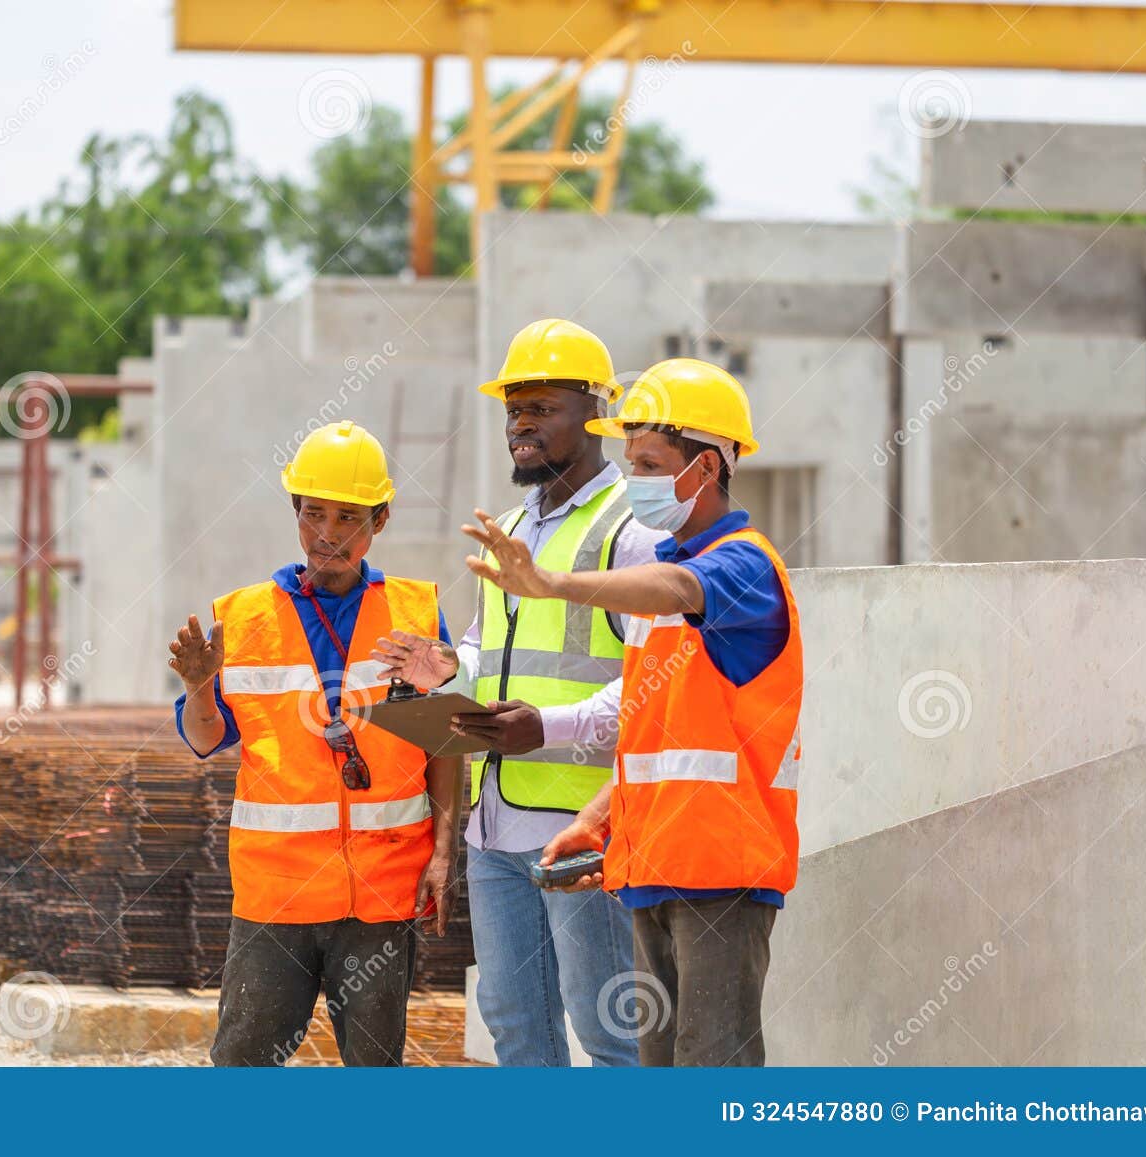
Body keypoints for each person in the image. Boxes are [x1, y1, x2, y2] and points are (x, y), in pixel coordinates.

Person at [462, 358, 801, 1067]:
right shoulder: (671, 583)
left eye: (650, 462)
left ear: (705, 468)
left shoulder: (742, 569)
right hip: (652, 870)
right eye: (630, 460)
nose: (635, 478)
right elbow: (663, 736)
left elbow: (680, 585)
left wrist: (552, 582)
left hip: (721, 878)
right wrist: (601, 818)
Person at [373, 319, 663, 1066]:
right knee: (515, 1025)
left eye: (542, 406)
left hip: (581, 826)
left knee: (608, 1031)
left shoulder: (628, 532)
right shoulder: (504, 528)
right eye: (513, 409)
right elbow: (488, 653)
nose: (522, 424)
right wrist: (448, 673)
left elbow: (652, 687)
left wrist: (551, 727)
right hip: (495, 825)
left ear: (595, 415)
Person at [167, 420, 462, 1067]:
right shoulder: (243, 621)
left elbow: (445, 740)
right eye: (313, 513)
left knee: (373, 1069)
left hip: (381, 892)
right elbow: (206, 737)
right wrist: (197, 688)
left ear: (380, 520)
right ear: (294, 512)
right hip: (278, 894)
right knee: (244, 1063)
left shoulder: (415, 613)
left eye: (348, 516)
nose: (328, 533)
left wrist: (444, 848)